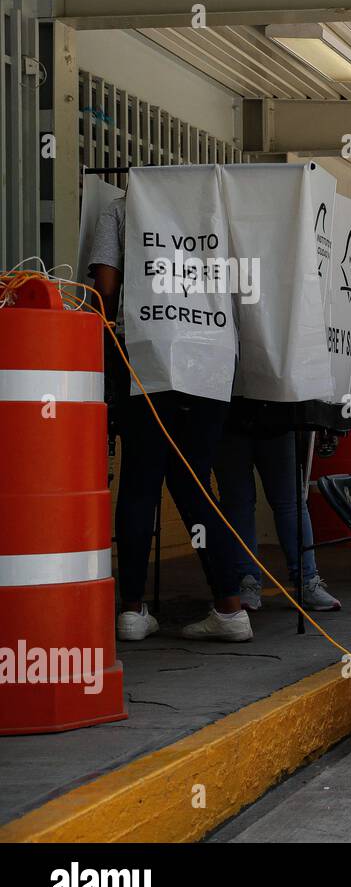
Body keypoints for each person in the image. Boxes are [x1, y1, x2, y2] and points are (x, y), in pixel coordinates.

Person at [88, 198, 251, 643]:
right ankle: (230, 607)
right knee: (194, 483)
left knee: (140, 484)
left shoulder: (120, 207)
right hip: (209, 352)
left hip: (144, 352)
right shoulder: (218, 206)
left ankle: (132, 610)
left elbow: (104, 288)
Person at [213, 415, 341, 613]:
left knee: (288, 502)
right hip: (238, 417)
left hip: (272, 415)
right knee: (242, 505)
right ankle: (251, 580)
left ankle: (304, 581)